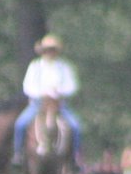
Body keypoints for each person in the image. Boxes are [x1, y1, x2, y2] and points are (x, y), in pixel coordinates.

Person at [13, 34, 81, 166]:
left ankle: (76, 157)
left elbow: (72, 86)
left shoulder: (64, 67)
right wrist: (42, 93)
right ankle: (18, 153)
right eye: (47, 49)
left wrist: (59, 91)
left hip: (59, 104)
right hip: (38, 104)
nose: (50, 52)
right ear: (43, 51)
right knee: (20, 124)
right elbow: (28, 86)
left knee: (76, 126)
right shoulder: (35, 66)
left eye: (52, 49)